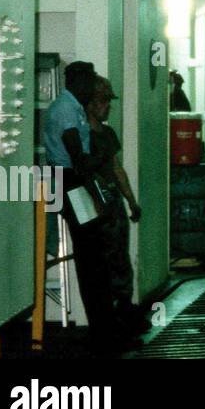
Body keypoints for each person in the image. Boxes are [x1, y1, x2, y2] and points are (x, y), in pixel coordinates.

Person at [42, 60, 125, 353]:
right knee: (92, 257)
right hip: (71, 182)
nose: (92, 87)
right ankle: (101, 332)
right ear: (80, 81)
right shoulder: (67, 110)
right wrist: (96, 197)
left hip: (70, 180)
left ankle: (104, 327)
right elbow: (78, 158)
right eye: (90, 81)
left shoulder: (71, 106)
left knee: (94, 256)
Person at [87, 77, 148, 335]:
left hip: (113, 206)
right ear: (89, 103)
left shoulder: (107, 134)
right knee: (105, 261)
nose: (107, 107)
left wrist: (131, 201)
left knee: (121, 257)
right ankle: (111, 315)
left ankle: (124, 308)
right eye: (103, 101)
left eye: (108, 101)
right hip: (97, 206)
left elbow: (116, 168)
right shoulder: (82, 135)